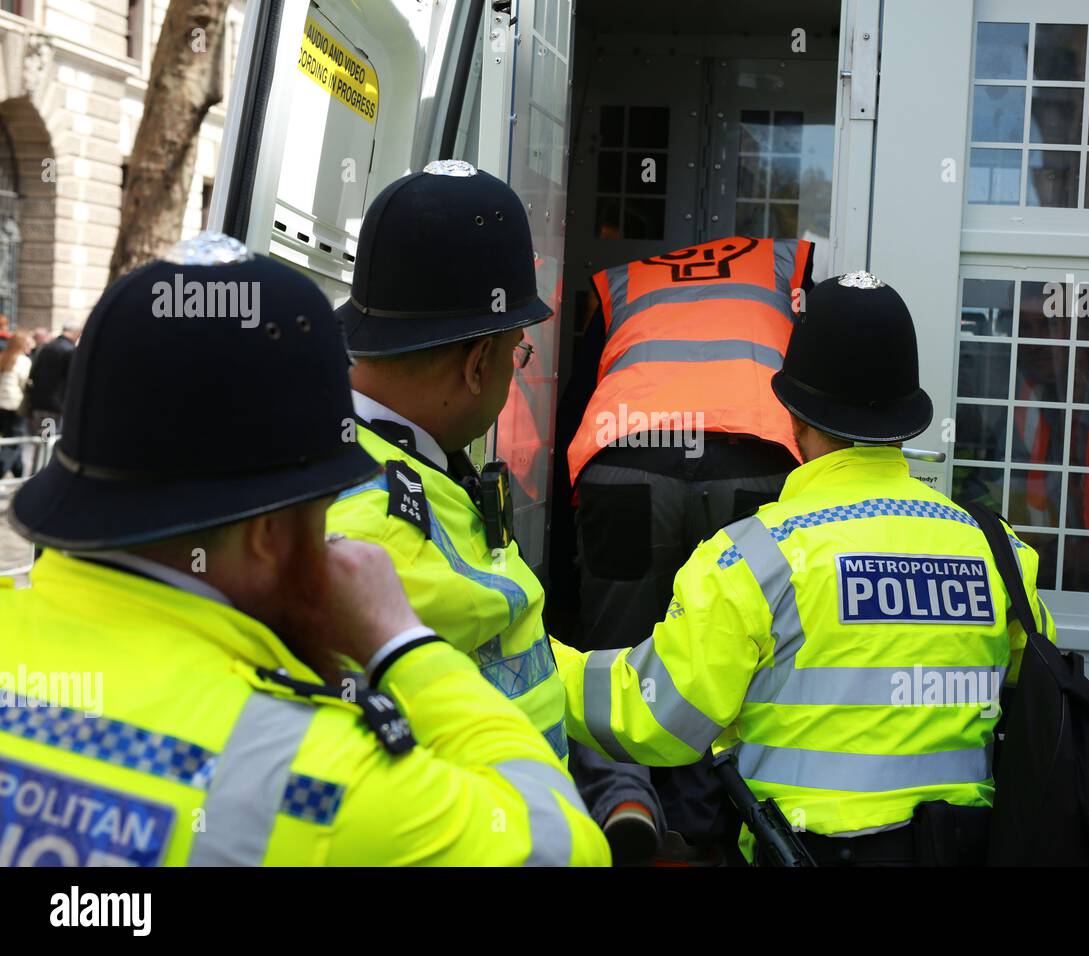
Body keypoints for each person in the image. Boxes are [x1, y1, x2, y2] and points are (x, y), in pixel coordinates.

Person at [0, 233, 609, 867]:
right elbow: (562, 849)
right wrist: (405, 644)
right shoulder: (327, 780)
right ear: (268, 535)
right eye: (320, 507)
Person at [552, 271, 1059, 866]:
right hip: (963, 852)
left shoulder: (753, 558)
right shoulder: (996, 551)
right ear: (905, 419)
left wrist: (535, 658)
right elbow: (1040, 706)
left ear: (791, 413)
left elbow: (654, 715)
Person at [326, 160, 661, 864]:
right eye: (518, 353)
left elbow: (513, 661)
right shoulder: (370, 528)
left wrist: (648, 708)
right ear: (480, 363)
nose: (515, 373)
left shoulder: (410, 463)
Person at [557, 235, 813, 864]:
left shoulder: (625, 284)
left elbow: (576, 404)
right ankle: (703, 827)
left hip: (627, 461)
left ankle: (626, 803)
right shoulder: (784, 271)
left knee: (614, 653)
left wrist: (568, 540)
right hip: (750, 458)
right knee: (732, 644)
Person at [25, 321, 79, 436]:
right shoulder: (70, 350)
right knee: (47, 440)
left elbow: (33, 373)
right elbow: (72, 379)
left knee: (41, 441)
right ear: (74, 333)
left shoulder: (46, 347)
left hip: (38, 402)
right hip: (55, 405)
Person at [0, 331, 32, 477]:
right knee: (14, 443)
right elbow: (24, 383)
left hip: (2, 404)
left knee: (10, 439)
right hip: (15, 405)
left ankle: (19, 474)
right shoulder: (23, 361)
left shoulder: (3, 358)